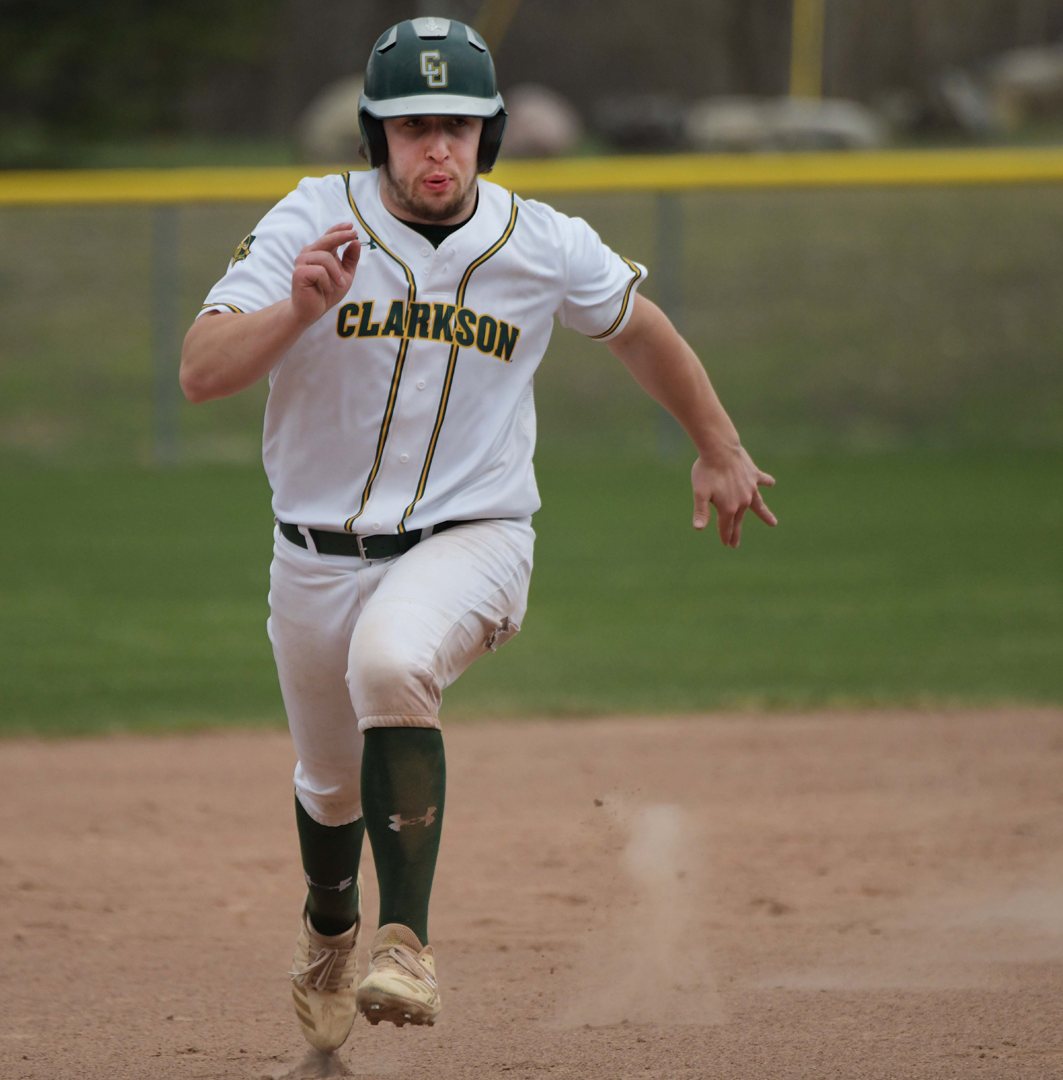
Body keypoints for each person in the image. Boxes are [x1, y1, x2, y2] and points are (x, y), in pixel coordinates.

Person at [180, 16, 774, 1059]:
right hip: (312, 555)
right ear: (379, 137)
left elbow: (642, 330)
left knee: (395, 659)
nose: (437, 148)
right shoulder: (312, 221)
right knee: (326, 787)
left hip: (476, 538)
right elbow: (200, 371)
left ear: (488, 134)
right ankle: (331, 928)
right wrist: (295, 309)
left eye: (457, 125)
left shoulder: (537, 239)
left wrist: (719, 446)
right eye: (414, 127)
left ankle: (406, 941)